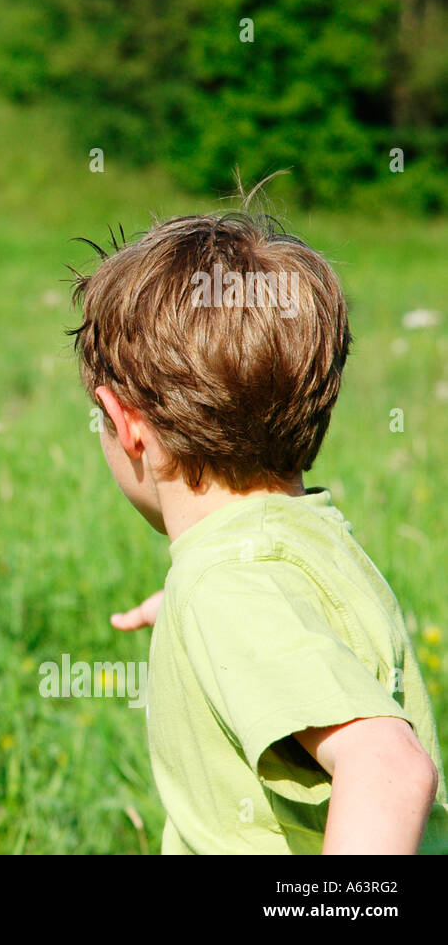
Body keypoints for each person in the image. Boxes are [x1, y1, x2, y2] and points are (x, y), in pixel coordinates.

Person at [70, 210, 448, 853]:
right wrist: (191, 614)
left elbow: (389, 767)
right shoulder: (302, 542)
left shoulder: (230, 589)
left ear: (123, 421)